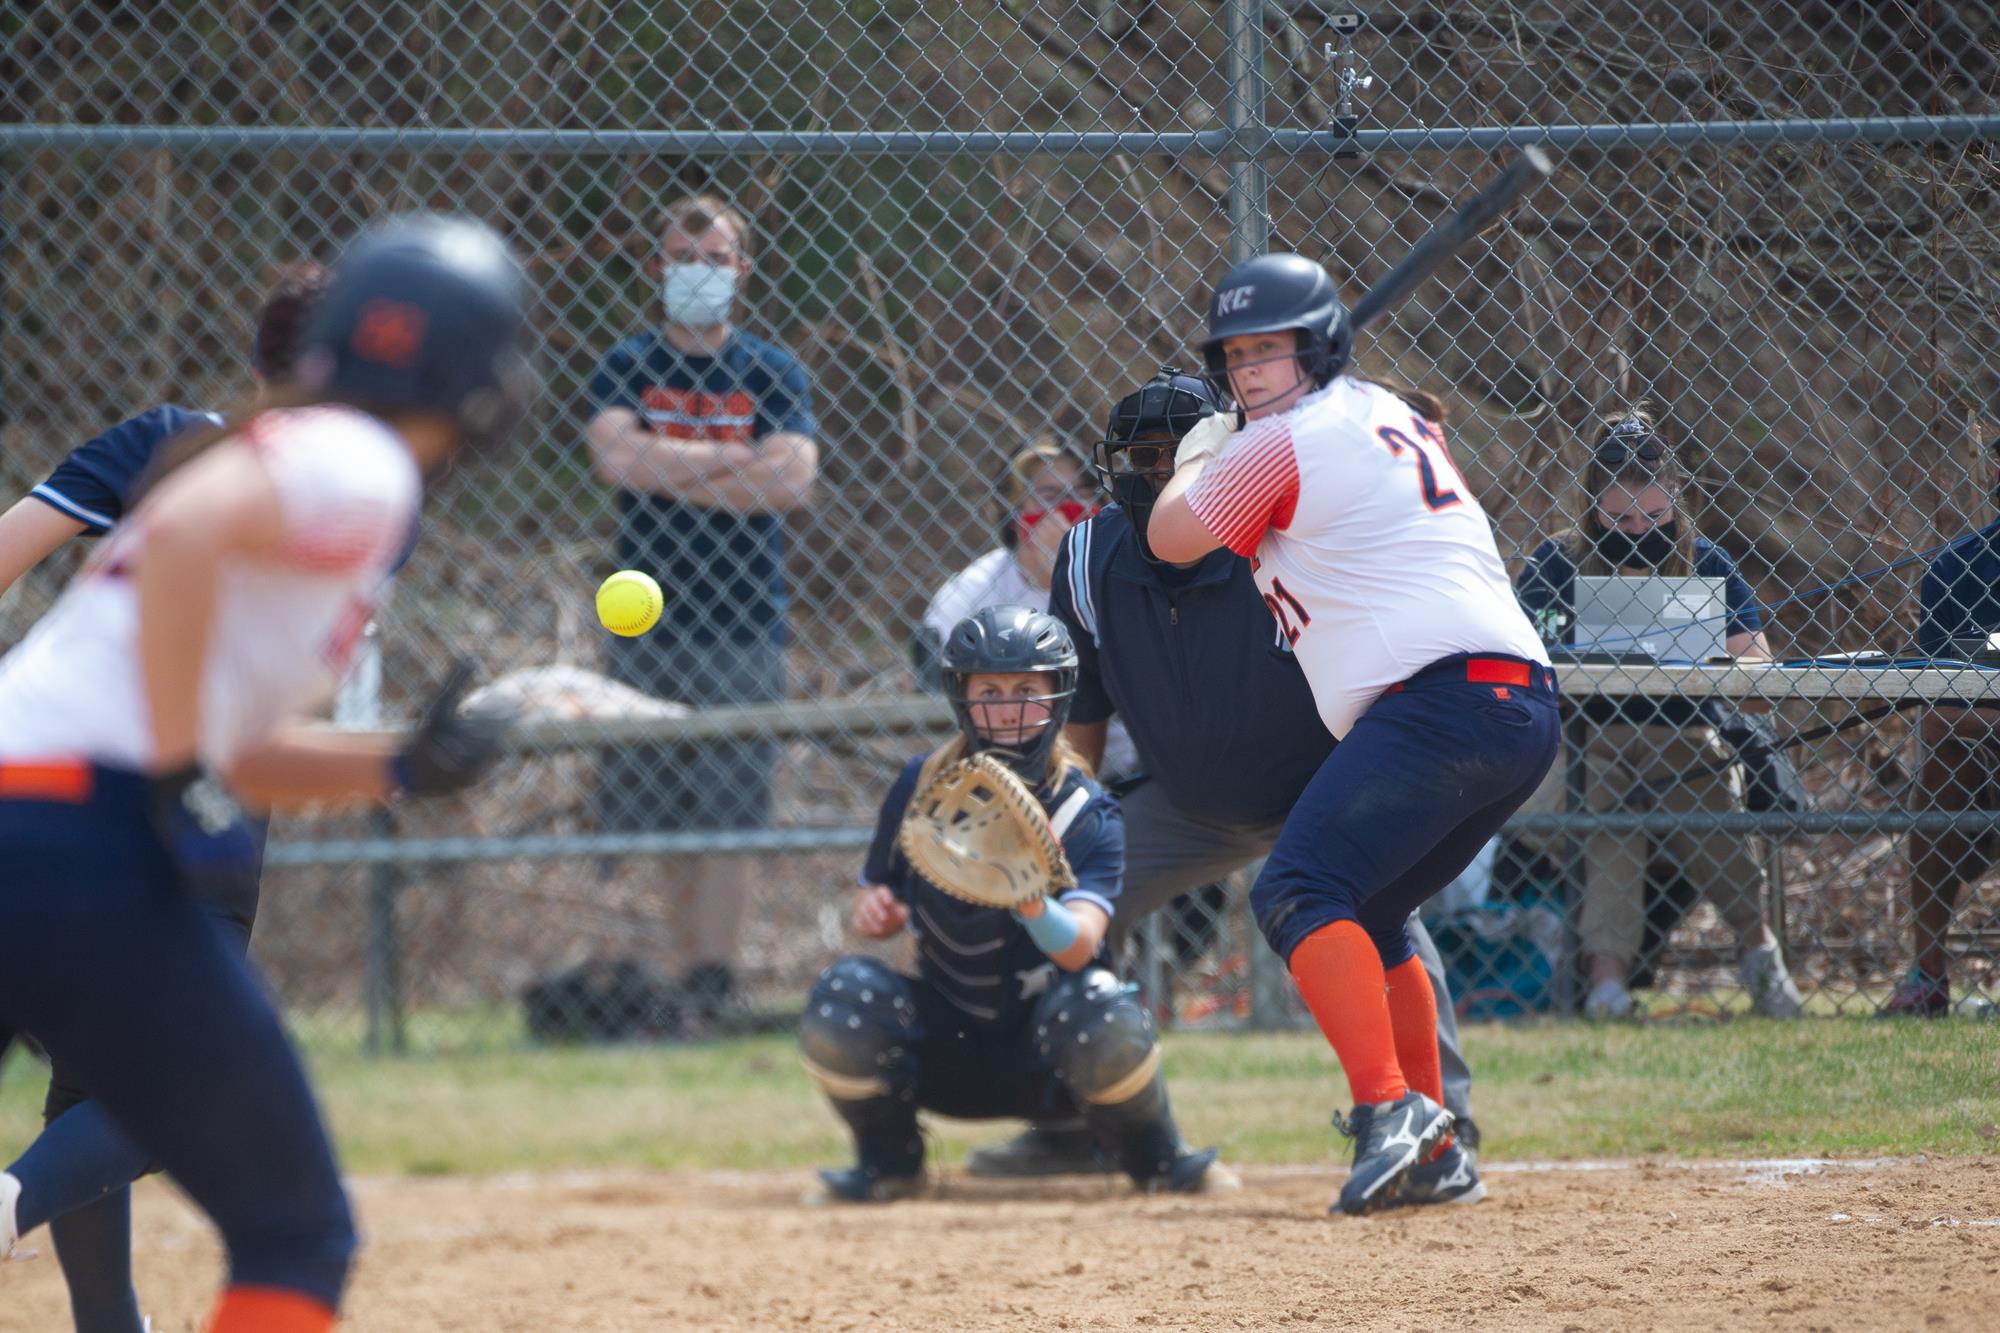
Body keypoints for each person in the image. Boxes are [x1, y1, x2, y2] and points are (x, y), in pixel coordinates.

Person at [0, 214, 531, 1332]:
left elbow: (243, 751)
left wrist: (402, 763)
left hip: (35, 811)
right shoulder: (360, 458)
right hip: (71, 831)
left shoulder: (307, 457)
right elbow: (191, 547)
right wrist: (176, 764)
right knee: (297, 1232)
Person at [967, 367, 1484, 1204]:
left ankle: (1441, 1126)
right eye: (1143, 454)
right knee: (1047, 899)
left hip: (1320, 781)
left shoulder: (1282, 534)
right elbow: (1083, 715)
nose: (1162, 470)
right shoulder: (1091, 554)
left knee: (1381, 912)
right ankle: (1075, 1119)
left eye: (1182, 452)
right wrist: (1063, 827)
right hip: (1189, 803)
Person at [1141, 252, 1562, 1215]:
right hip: (1516, 705)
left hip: (1443, 700)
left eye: (1272, 351)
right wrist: (1243, 437)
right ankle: (1437, 1143)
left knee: (1298, 888)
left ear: (1318, 347)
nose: (1251, 371)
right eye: (1237, 355)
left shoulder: (1284, 438)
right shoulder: (1380, 412)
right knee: (1369, 914)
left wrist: (1203, 455)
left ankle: (1389, 1110)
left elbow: (1170, 537)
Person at [0, 264, 331, 1333]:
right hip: (185, 796)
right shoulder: (353, 502)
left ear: (256, 364)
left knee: (97, 1072)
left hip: (34, 762)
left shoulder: (166, 438)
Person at [799, 605, 1231, 1203]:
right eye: (990, 691)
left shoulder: (1087, 810)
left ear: (1058, 698)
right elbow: (880, 889)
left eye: (1027, 690)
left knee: (1104, 1009)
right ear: (961, 697)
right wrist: (876, 910)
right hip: (950, 1045)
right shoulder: (924, 783)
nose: (1007, 709)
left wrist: (1030, 900)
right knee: (845, 998)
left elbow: (1081, 946)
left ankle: (1159, 1161)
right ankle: (890, 1167)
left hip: (1050, 1056)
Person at [585, 193, 817, 1027]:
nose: (699, 273)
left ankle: (714, 980)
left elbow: (792, 478)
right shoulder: (626, 362)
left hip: (746, 618)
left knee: (730, 805)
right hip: (644, 622)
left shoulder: (771, 370)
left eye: (716, 260)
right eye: (685, 259)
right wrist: (731, 465)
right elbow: (615, 457)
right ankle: (683, 978)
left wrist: (667, 463)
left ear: (741, 271)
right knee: (662, 804)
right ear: (658, 269)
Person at [1513, 408, 1803, 1020]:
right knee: (1608, 799)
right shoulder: (1555, 563)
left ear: (1675, 496)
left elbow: (1758, 665)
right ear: (1592, 505)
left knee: (1700, 772)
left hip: (1684, 731)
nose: (1637, 531)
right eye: (1618, 519)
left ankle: (1760, 955)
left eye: (1653, 517)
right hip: (1588, 735)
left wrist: (1710, 648)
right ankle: (1608, 983)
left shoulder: (1707, 561)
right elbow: (1524, 654)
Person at [1891, 517, 2000, 1015]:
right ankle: (1928, 978)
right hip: (1979, 744)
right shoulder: (1959, 567)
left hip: (1986, 721)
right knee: (1943, 762)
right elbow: (1940, 713)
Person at [916, 440, 1094, 682]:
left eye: (1081, 493)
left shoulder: (1113, 575)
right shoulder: (976, 587)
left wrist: (1069, 579)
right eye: (1050, 496)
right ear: (1013, 511)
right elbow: (936, 681)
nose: (1068, 508)